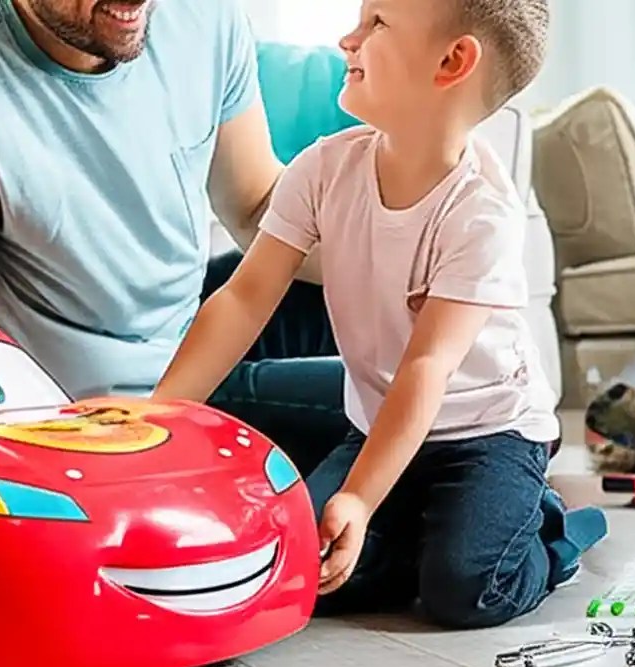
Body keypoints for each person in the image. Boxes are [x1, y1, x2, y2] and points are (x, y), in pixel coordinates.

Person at [153, 0, 608, 629]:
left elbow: (427, 367)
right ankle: (414, 537)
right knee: (301, 571)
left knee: (463, 593)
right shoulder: (323, 168)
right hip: (376, 426)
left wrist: (361, 498)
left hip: (488, 435)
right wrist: (156, 417)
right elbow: (243, 296)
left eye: (377, 24)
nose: (348, 39)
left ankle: (548, 529)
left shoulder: (481, 213)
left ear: (452, 61)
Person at [0, 0, 350, 474]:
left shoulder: (203, 16)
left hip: (188, 326)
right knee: (390, 408)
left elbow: (256, 203)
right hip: (107, 419)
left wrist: (407, 266)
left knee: (397, 325)